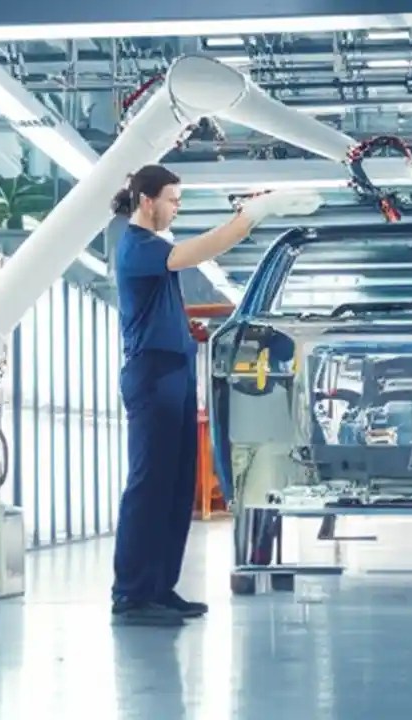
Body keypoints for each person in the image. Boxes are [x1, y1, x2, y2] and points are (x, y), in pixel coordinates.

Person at [108, 164, 318, 626]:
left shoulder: (151, 249)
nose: (175, 208)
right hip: (153, 375)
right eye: (173, 200)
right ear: (147, 200)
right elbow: (201, 250)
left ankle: (161, 588)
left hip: (177, 371)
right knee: (149, 484)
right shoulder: (138, 245)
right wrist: (252, 217)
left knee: (179, 484)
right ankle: (131, 593)